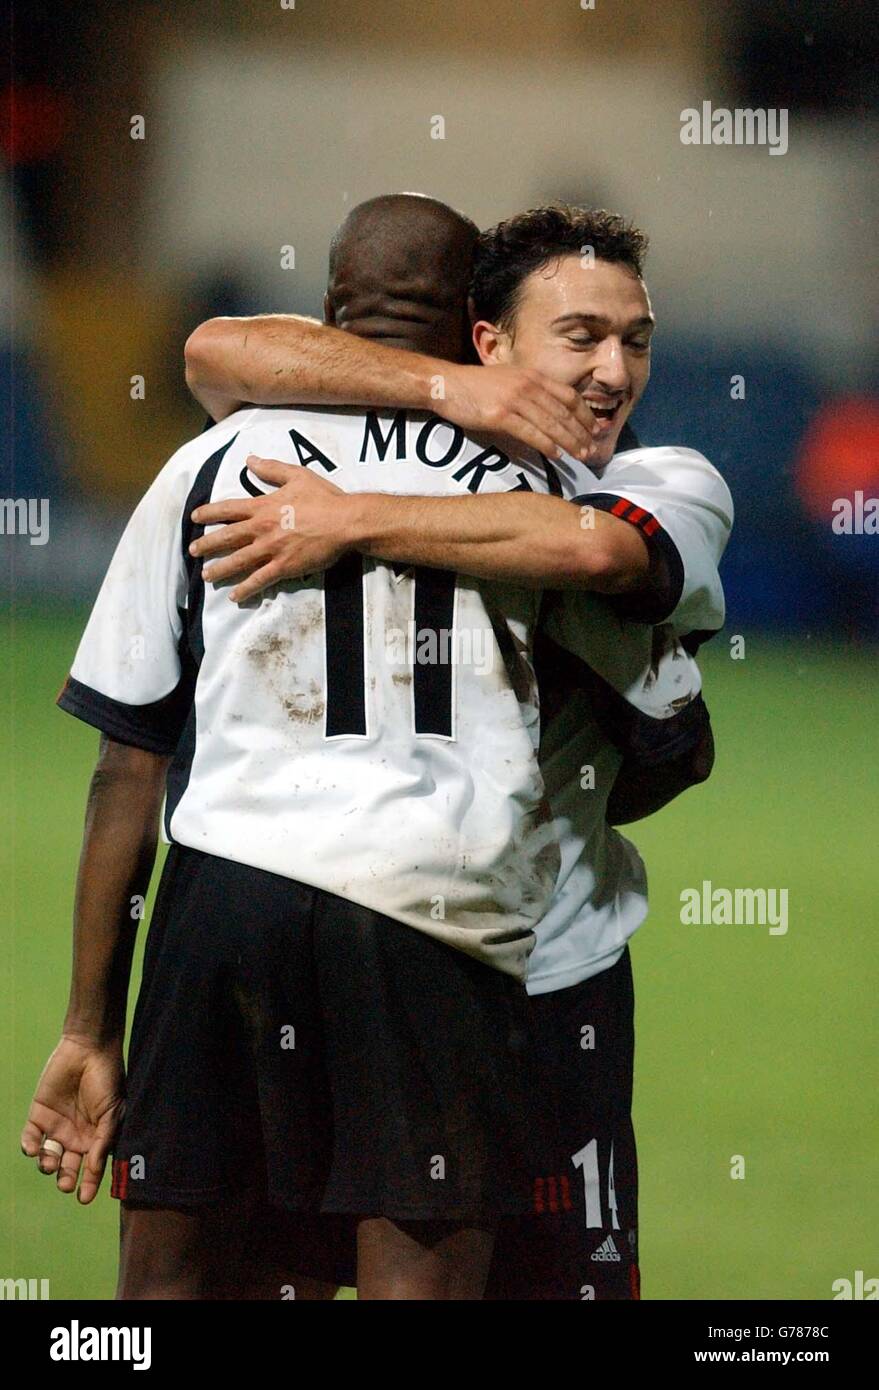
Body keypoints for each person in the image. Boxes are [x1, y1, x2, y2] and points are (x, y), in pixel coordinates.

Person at [20, 197, 718, 1300]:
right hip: (444, 922)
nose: (610, 369)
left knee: (175, 1285)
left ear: (336, 307)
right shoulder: (529, 481)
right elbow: (673, 746)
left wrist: (85, 1027)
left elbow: (125, 761)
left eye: (634, 340)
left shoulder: (216, 461)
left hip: (236, 902)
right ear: (479, 337)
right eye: (579, 337)